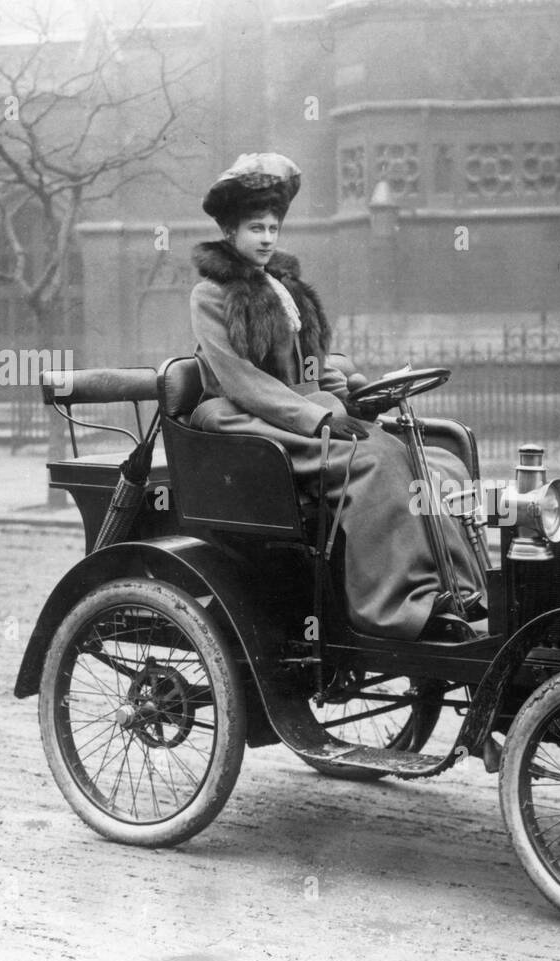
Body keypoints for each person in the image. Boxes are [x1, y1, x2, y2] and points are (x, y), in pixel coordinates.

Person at [188, 152, 483, 642]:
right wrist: (318, 420)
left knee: (437, 463)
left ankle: (456, 587)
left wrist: (353, 397)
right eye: (255, 229)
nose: (266, 238)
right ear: (230, 233)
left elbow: (312, 365)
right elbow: (242, 381)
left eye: (272, 228)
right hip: (247, 421)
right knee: (376, 463)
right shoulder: (211, 295)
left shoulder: (284, 288)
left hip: (302, 414)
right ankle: (397, 606)